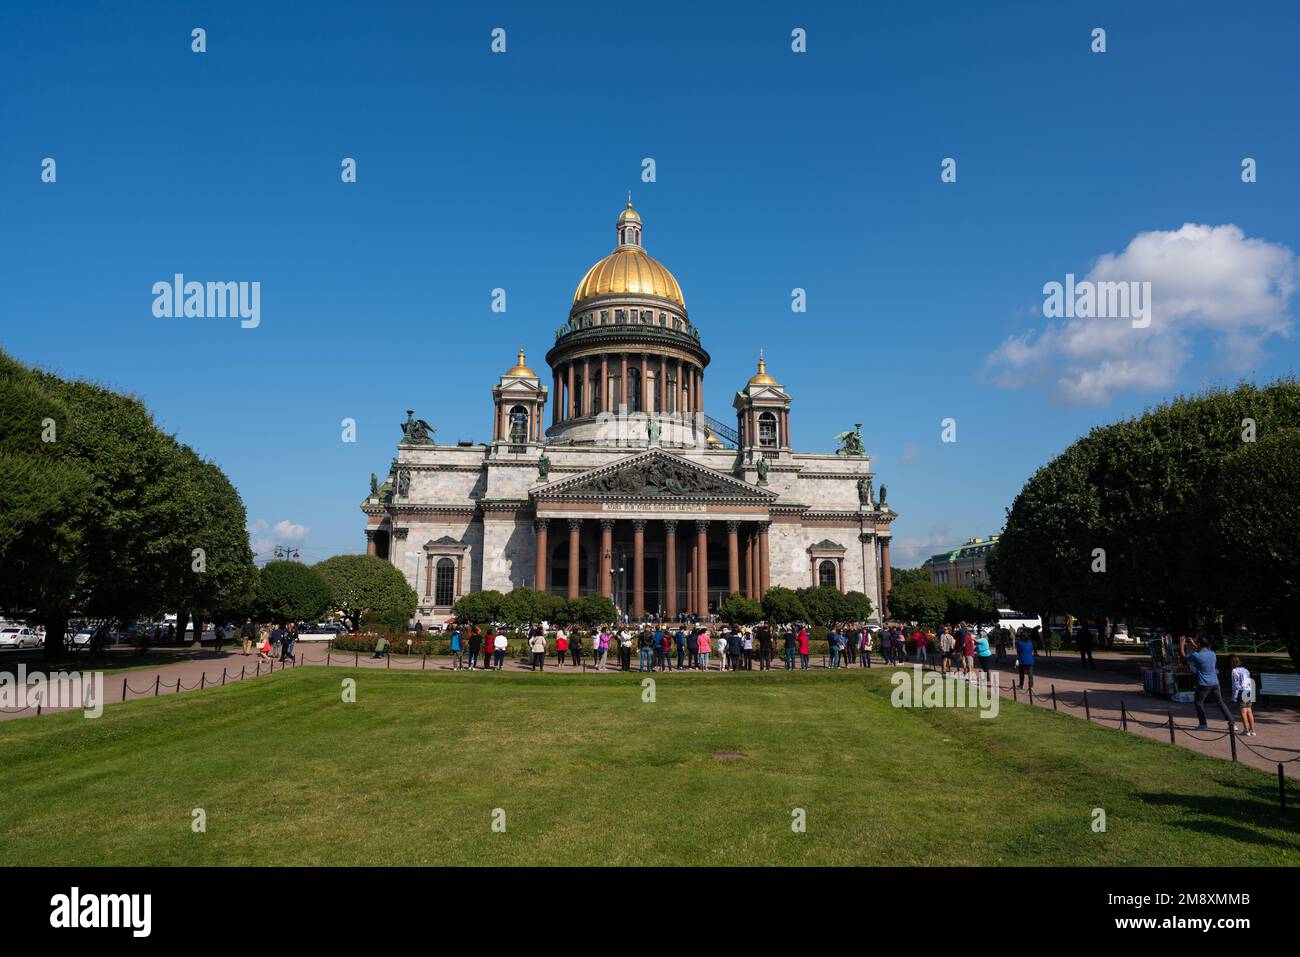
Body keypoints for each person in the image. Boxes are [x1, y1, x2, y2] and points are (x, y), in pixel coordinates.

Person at [1186, 637, 1234, 731]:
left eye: (1196, 643)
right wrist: (1194, 643)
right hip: (1215, 682)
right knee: (1220, 702)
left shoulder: (1196, 655)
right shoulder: (1212, 653)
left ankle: (1203, 724)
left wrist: (1181, 644)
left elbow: (1184, 656)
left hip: (1203, 683)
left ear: (1199, 644)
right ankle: (1232, 723)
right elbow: (1202, 649)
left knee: (1199, 703)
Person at [1229, 655, 1257, 736]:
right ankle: (1253, 730)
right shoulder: (1246, 670)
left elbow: (1235, 685)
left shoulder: (1234, 671)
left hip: (1241, 692)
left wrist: (1234, 697)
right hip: (1249, 691)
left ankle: (1246, 730)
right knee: (1249, 711)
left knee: (1243, 712)